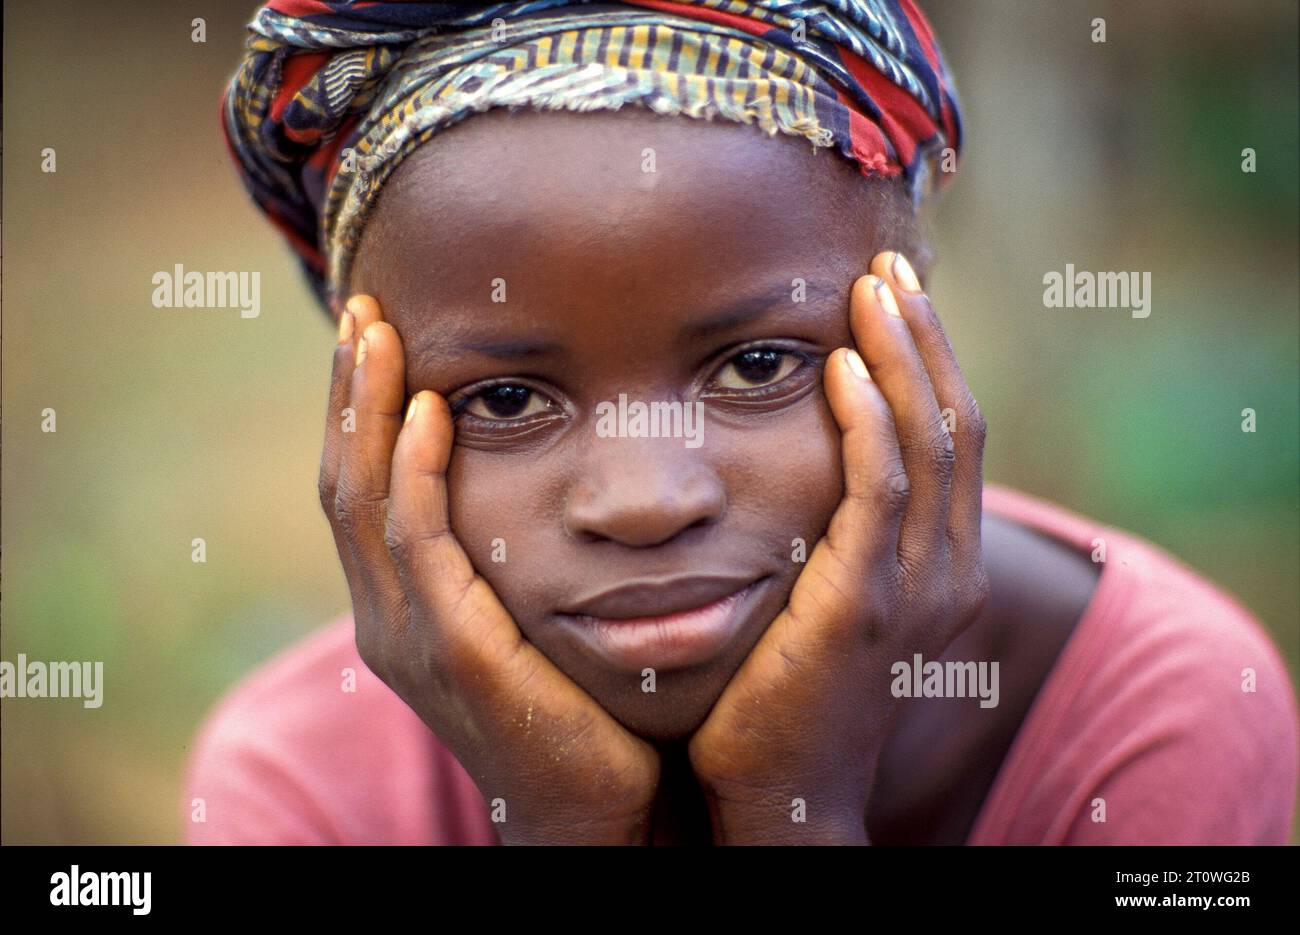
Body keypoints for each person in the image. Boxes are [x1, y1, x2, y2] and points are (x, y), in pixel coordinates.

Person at [184, 0, 1298, 845]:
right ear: (361, 433)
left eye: (758, 364)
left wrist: (789, 808)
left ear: (918, 343)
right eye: (507, 400)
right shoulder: (300, 789)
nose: (646, 499)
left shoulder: (1152, 713)